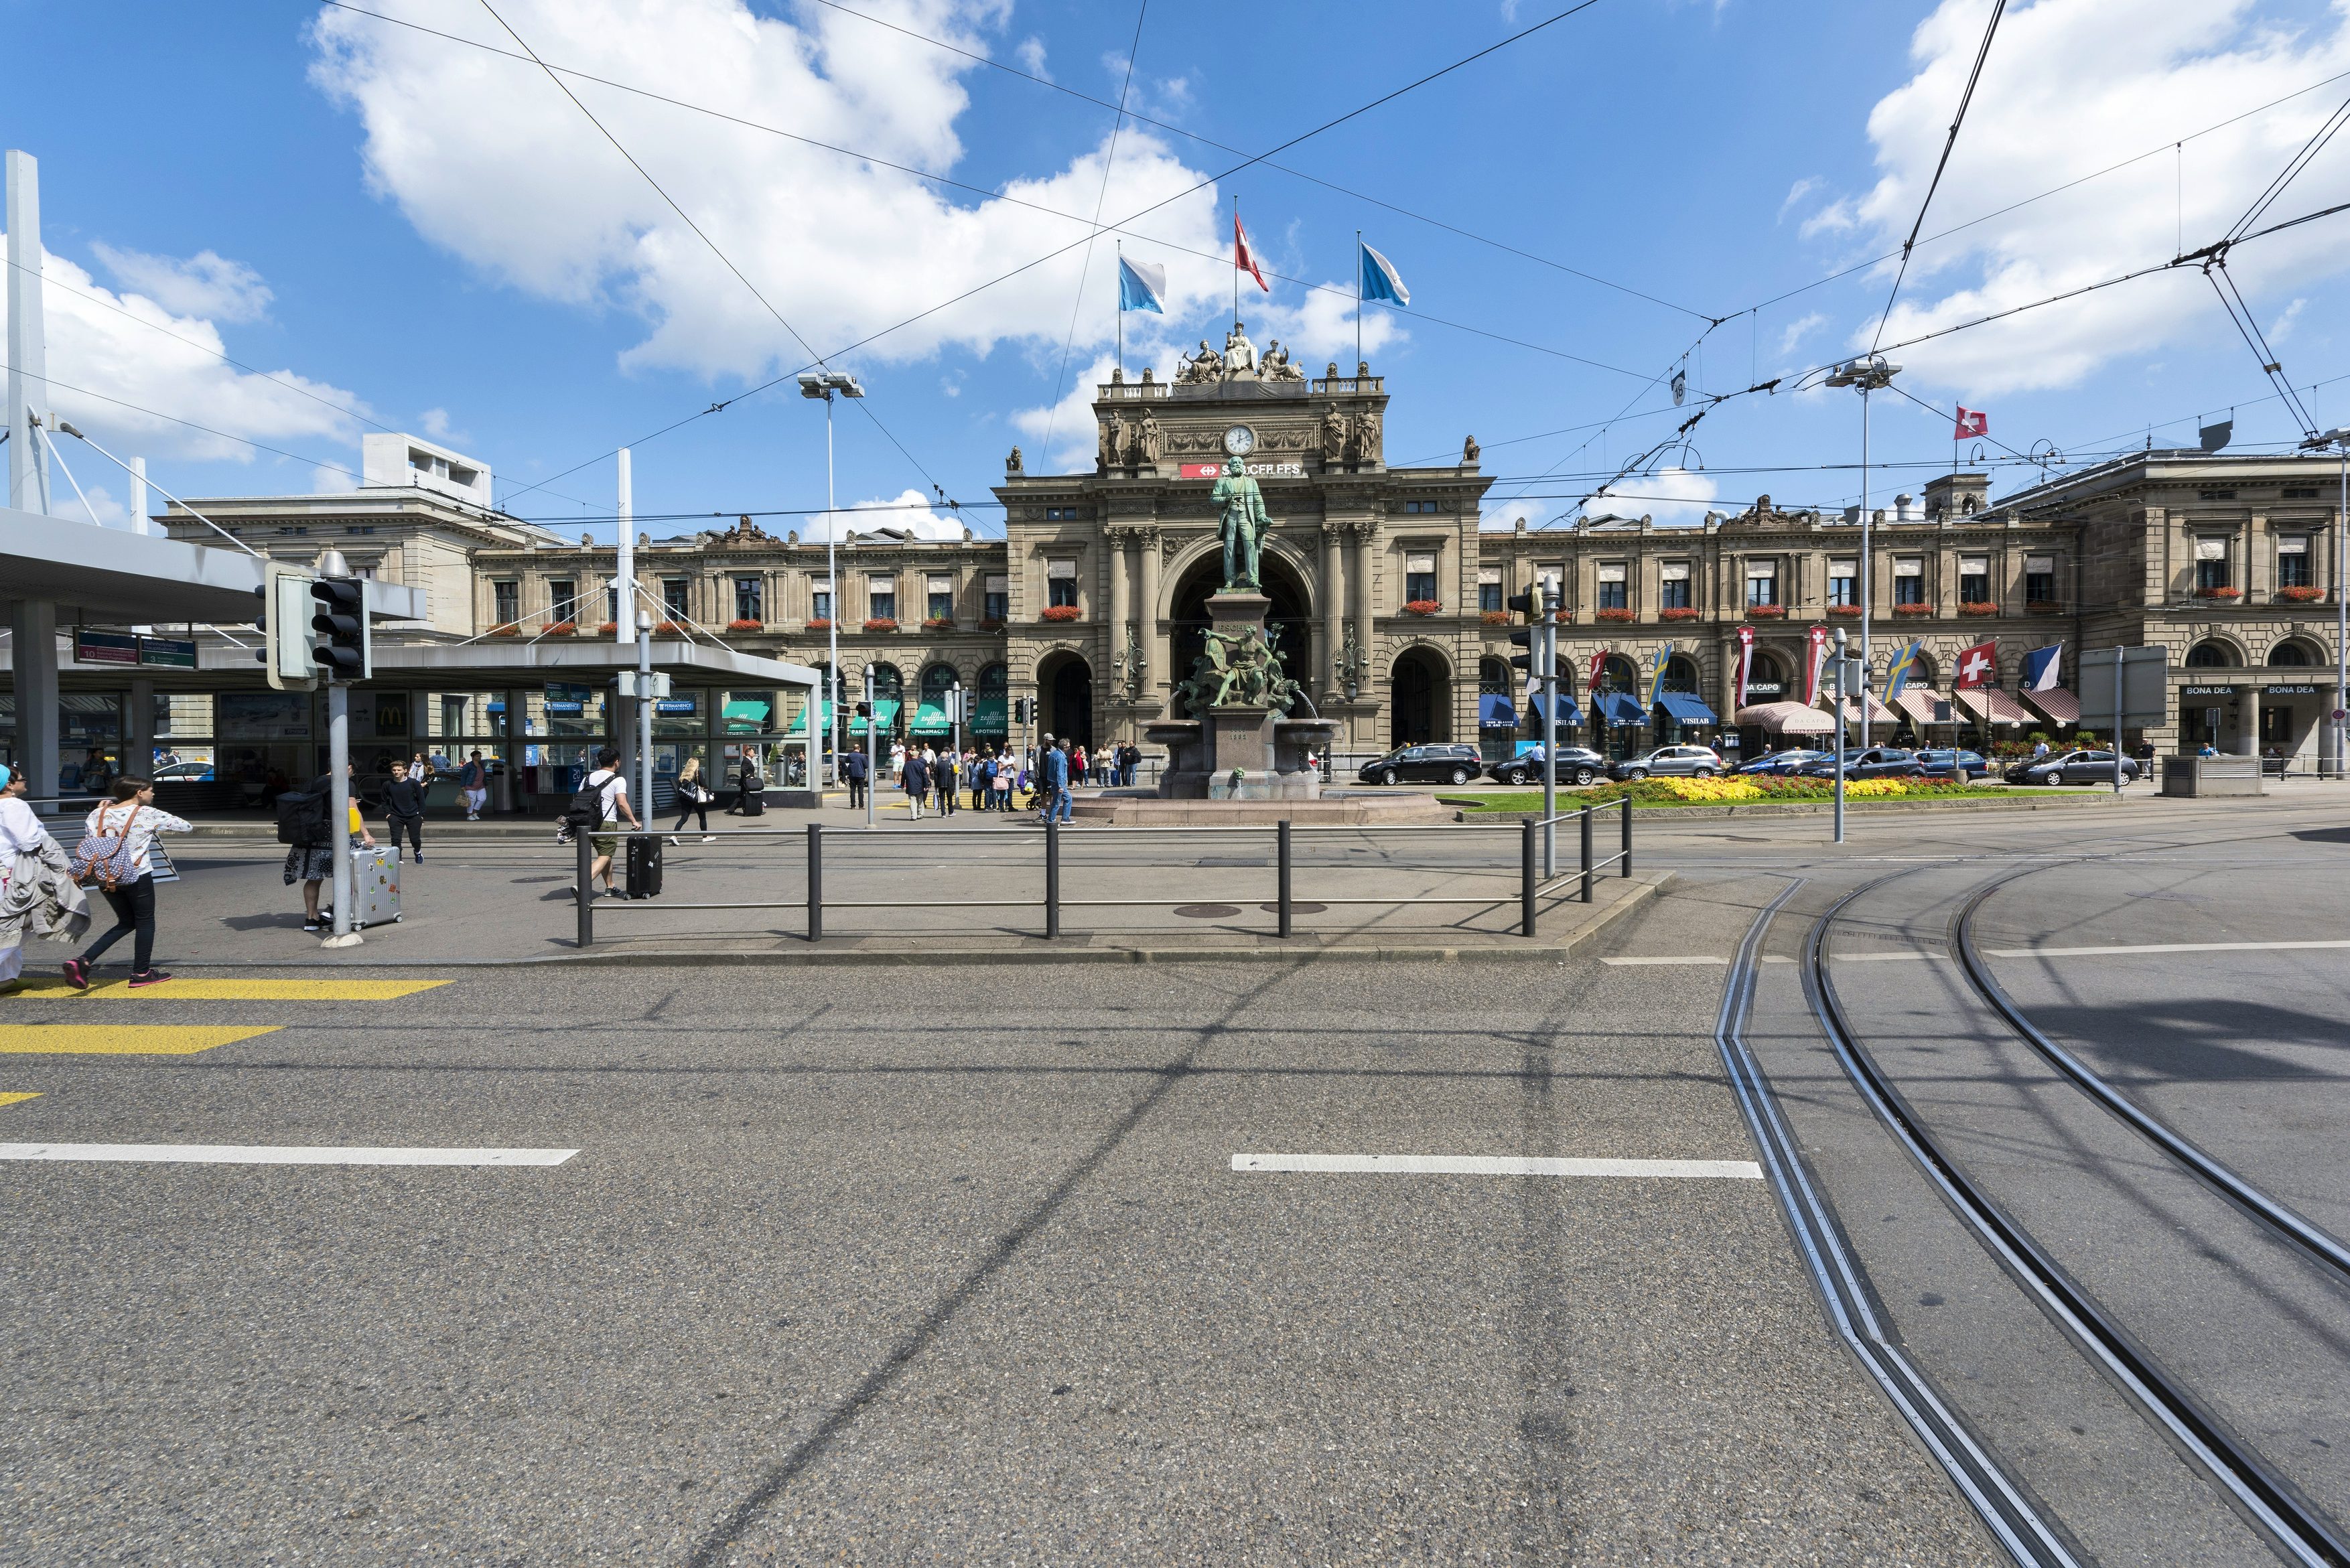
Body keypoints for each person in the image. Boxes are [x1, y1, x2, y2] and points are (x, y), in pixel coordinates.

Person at [62, 776, 193, 989]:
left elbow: (91, 838)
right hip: (136, 874)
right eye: (151, 790)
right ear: (139, 792)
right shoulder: (147, 813)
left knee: (127, 921)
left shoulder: (98, 813)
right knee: (145, 921)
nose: (153, 794)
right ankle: (141, 972)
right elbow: (186, 827)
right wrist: (152, 828)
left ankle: (83, 961)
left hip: (105, 875)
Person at [1, 763, 87, 993]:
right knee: (20, 927)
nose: (24, 781)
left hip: (6, 874)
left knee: (13, 926)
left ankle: (6, 979)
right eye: (22, 778)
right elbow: (28, 841)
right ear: (9, 785)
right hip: (16, 875)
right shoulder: (13, 805)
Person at [285, 763, 376, 933]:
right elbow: (353, 810)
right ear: (348, 767)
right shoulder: (345, 782)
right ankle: (332, 911)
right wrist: (366, 834)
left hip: (312, 833)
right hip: (336, 834)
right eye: (353, 772)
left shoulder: (314, 782)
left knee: (314, 878)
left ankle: (312, 918)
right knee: (352, 874)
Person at [581, 745, 638, 898]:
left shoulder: (588, 778)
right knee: (605, 855)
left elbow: (580, 799)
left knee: (604, 854)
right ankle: (582, 885)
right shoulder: (618, 780)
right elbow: (622, 803)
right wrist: (634, 821)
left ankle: (610, 886)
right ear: (617, 762)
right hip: (607, 822)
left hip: (587, 823)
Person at [383, 758, 428, 863]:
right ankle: (398, 858)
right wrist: (388, 814)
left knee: (415, 839)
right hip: (395, 816)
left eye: (399, 770)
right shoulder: (388, 784)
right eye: (394, 770)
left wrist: (421, 815)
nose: (396, 772)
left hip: (413, 815)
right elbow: (384, 801)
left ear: (405, 770)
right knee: (396, 839)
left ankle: (417, 852)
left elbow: (421, 800)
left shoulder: (414, 783)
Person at [670, 756, 716, 843]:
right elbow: (704, 785)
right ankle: (705, 837)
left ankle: (674, 836)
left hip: (685, 798)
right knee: (702, 818)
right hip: (696, 799)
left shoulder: (684, 774)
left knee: (684, 818)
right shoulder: (698, 773)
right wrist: (710, 793)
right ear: (696, 764)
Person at [1037, 736, 1071, 825]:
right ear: (1064, 747)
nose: (1069, 748)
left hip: (1053, 781)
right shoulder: (1061, 756)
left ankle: (1064, 818)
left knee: (1067, 798)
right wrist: (1061, 786)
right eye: (1068, 747)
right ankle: (1052, 820)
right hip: (1059, 783)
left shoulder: (1054, 754)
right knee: (1057, 802)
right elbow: (1060, 772)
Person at [458, 750, 490, 819]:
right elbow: (464, 776)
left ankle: (474, 812)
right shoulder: (468, 766)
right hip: (471, 785)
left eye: (480, 756)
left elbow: (484, 775)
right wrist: (463, 786)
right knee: (472, 800)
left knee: (483, 798)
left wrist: (486, 784)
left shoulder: (481, 765)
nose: (479, 757)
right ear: (473, 757)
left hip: (481, 785)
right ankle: (469, 815)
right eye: (477, 756)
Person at [902, 746, 929, 821]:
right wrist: (926, 785)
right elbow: (925, 776)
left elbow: (903, 775)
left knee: (912, 801)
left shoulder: (907, 764)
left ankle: (913, 816)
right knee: (920, 800)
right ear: (917, 756)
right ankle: (920, 814)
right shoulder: (921, 764)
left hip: (910, 785)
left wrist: (902, 784)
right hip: (920, 785)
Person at [843, 744, 869, 809]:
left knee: (852, 790)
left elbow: (846, 761)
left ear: (853, 748)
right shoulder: (862, 756)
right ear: (859, 749)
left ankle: (852, 805)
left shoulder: (850, 755)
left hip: (852, 774)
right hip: (861, 775)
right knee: (860, 791)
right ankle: (861, 806)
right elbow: (866, 765)